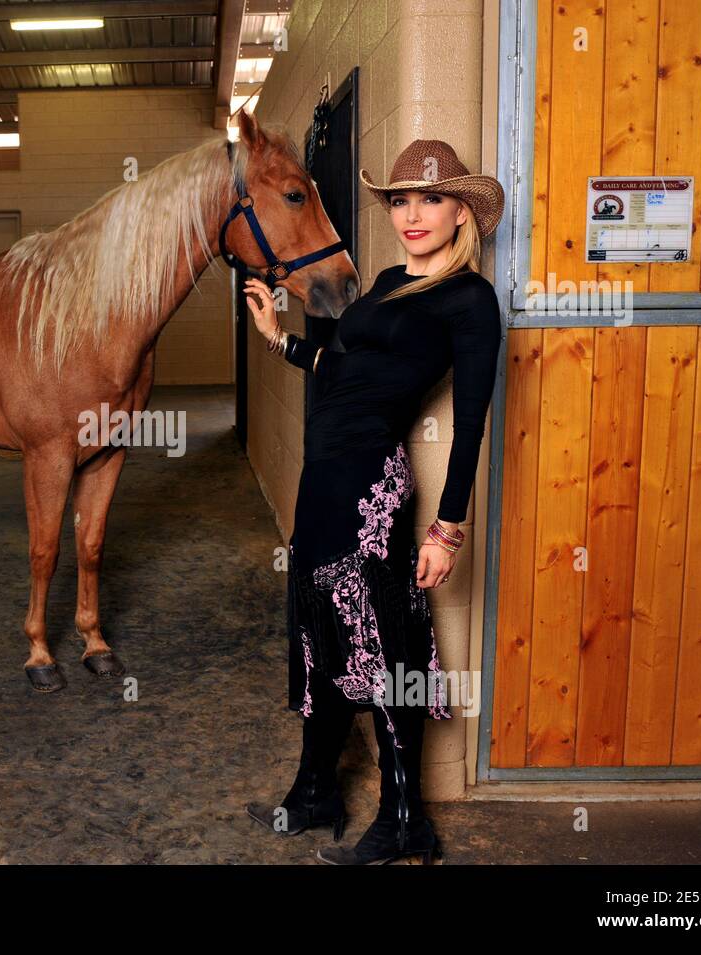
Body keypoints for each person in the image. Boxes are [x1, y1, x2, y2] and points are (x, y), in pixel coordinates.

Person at [243, 139, 505, 864]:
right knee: (321, 639)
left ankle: (404, 820)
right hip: (322, 481)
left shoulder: (468, 300)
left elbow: (474, 418)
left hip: (371, 492)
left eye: (431, 199)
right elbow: (343, 365)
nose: (412, 214)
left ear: (461, 212)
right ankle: (316, 786)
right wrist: (278, 341)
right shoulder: (387, 280)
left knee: (385, 652)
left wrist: (446, 529)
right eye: (400, 200)